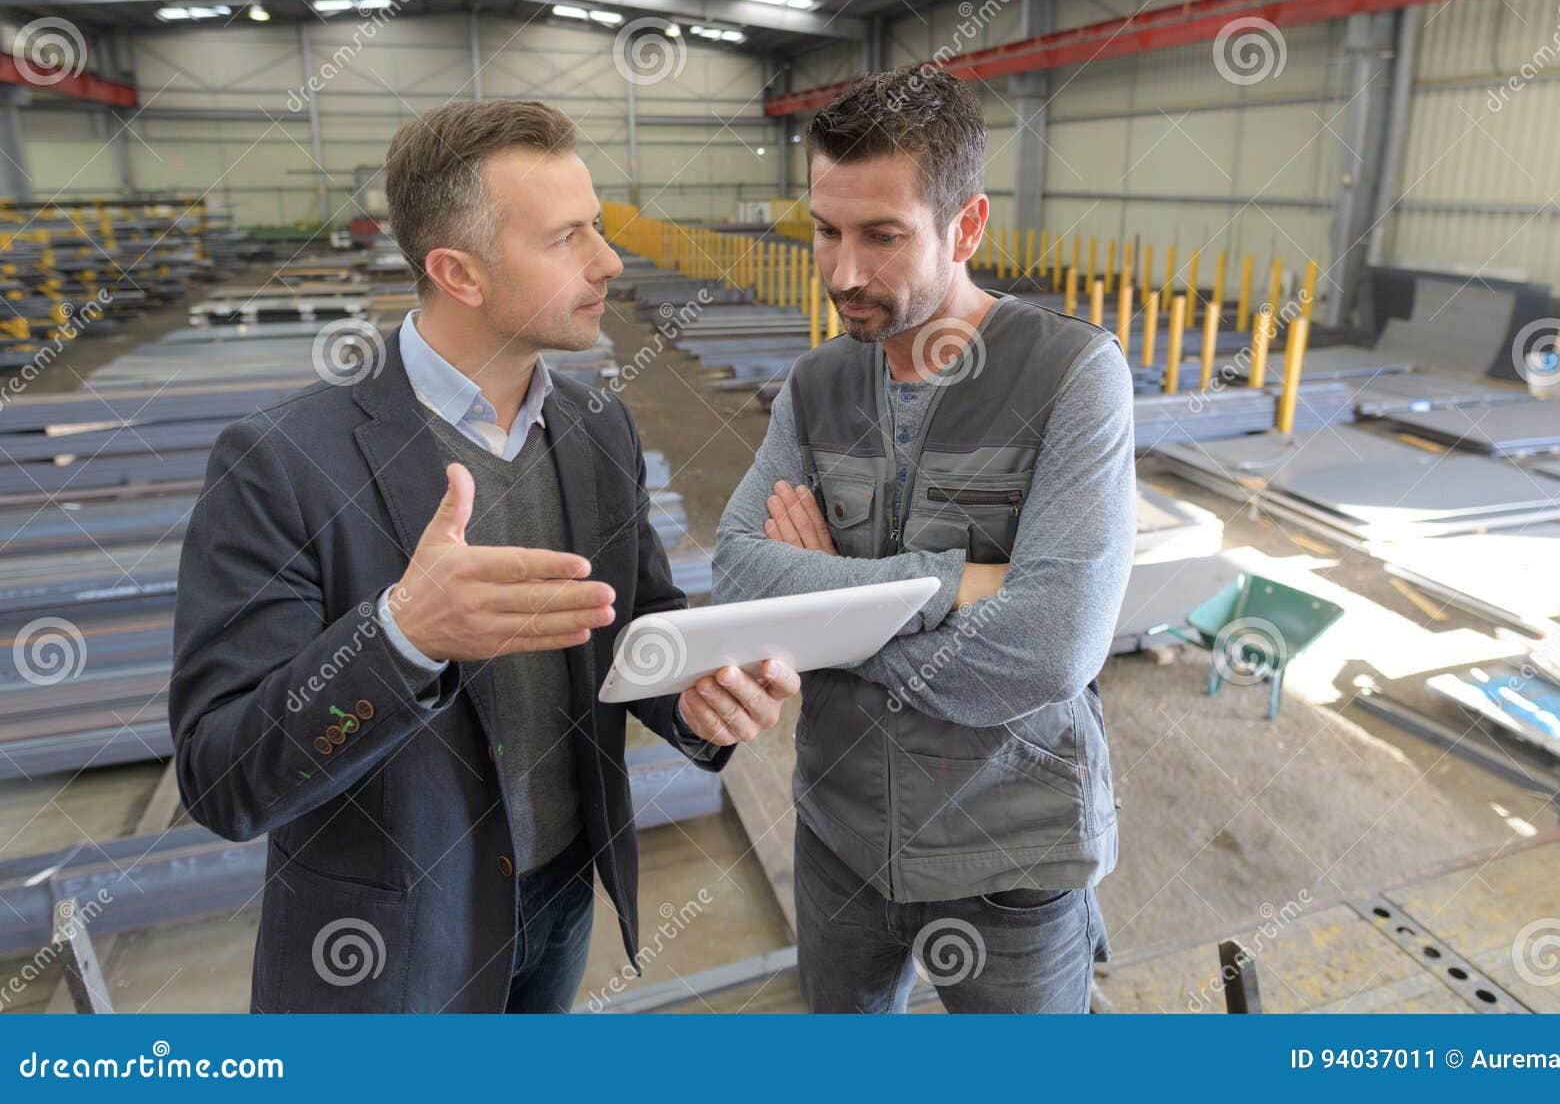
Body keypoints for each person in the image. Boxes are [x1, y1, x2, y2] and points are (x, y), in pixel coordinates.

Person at [170, 99, 798, 1013]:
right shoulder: (284, 462)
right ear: (458, 272)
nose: (609, 262)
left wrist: (703, 698)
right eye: (568, 238)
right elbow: (223, 778)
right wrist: (401, 637)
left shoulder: (595, 426)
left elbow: (636, 627)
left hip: (561, 902)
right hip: (390, 946)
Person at [711, 67, 1135, 1013]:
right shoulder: (818, 385)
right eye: (827, 229)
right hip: (840, 835)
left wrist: (827, 598)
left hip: (1010, 853)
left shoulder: (1072, 376)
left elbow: (1050, 646)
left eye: (883, 236)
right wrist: (954, 582)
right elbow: (738, 572)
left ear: (968, 226)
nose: (844, 271)